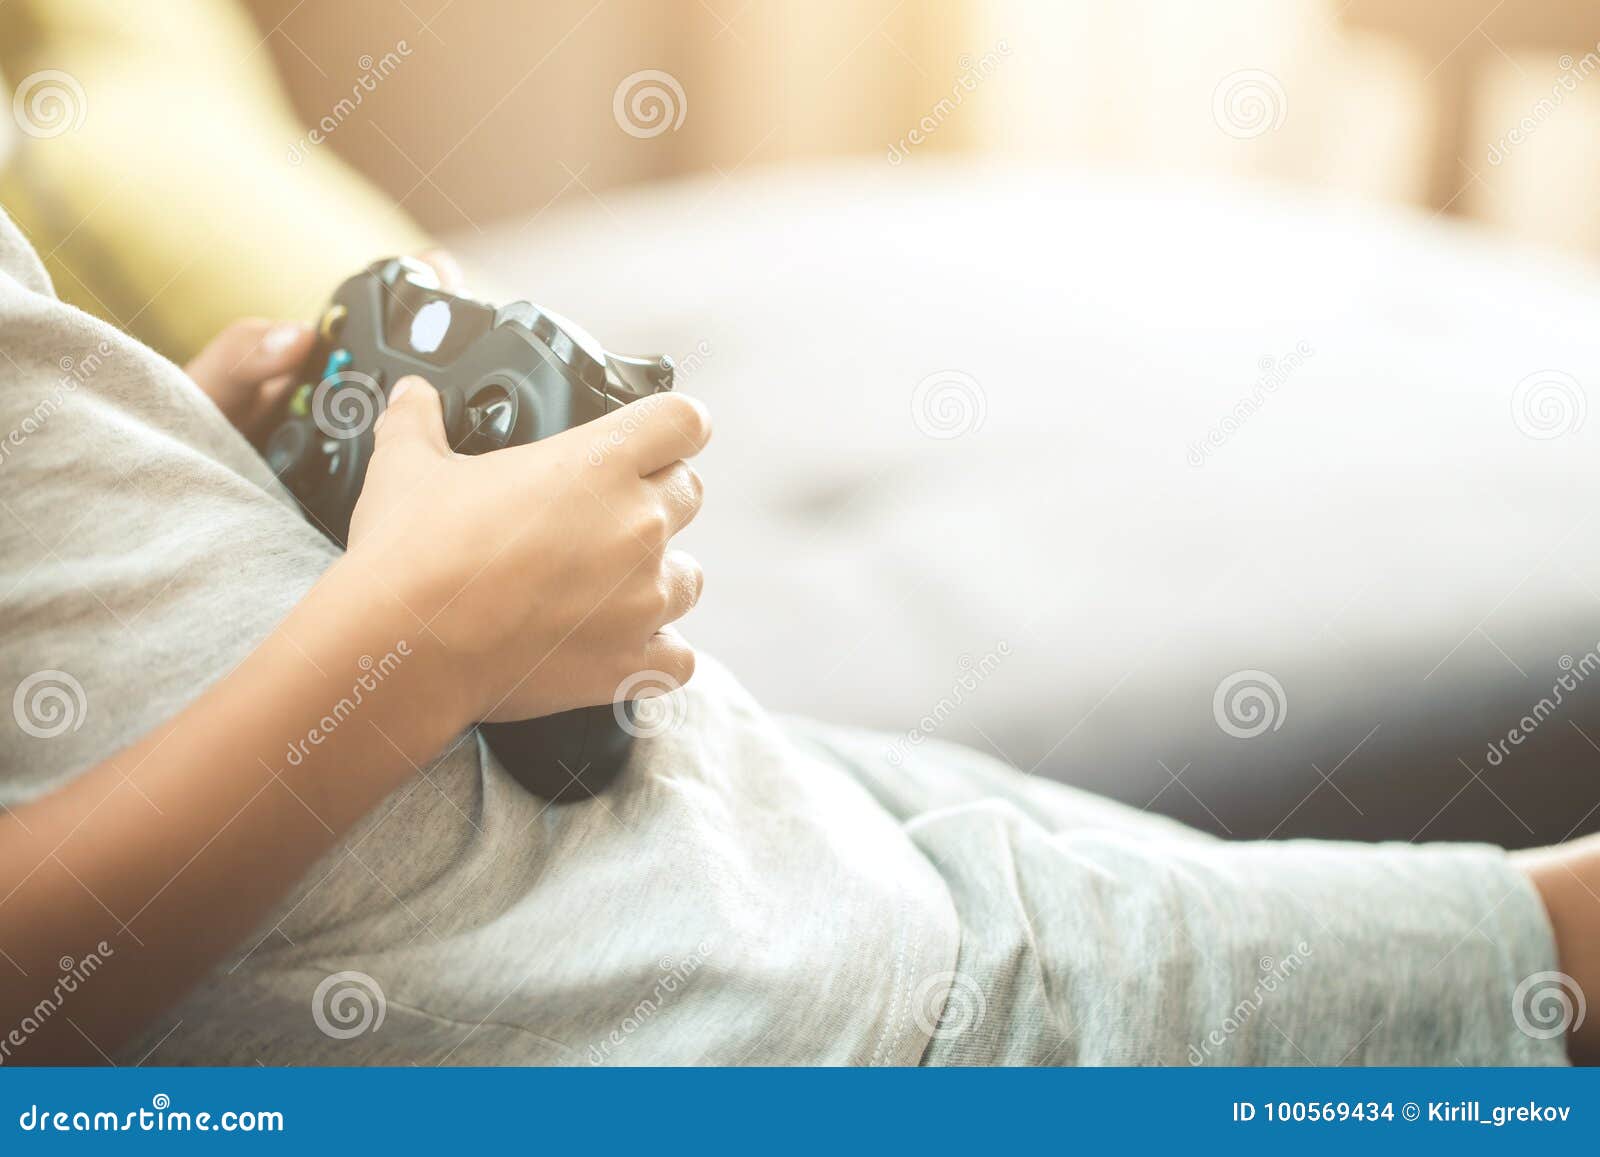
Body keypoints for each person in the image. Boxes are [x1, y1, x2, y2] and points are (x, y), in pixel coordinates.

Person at [0, 208, 1593, 1068]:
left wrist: (172, 448)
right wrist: (419, 636)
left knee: (1509, 945)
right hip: (688, 1012)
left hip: (728, 856)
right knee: (1544, 975)